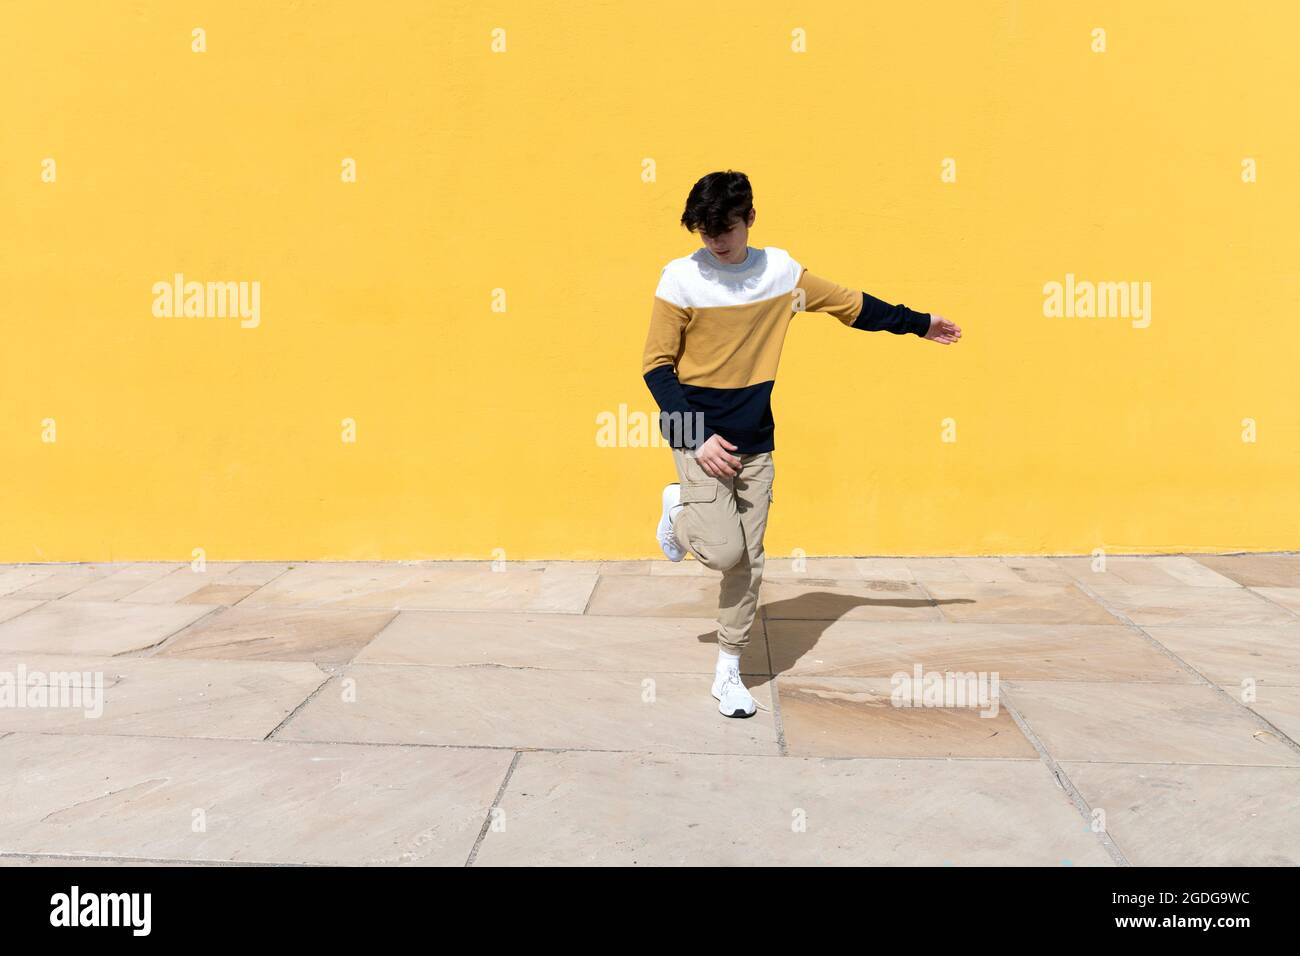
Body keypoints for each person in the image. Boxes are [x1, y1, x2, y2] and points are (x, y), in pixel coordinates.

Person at [641, 169, 961, 717]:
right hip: (698, 437)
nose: (716, 240)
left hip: (755, 442)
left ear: (750, 220)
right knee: (723, 552)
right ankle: (681, 508)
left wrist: (918, 322)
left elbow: (852, 305)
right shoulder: (680, 279)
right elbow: (656, 368)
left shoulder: (781, 274)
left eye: (726, 228)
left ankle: (729, 670)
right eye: (705, 231)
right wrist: (696, 436)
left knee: (750, 563)